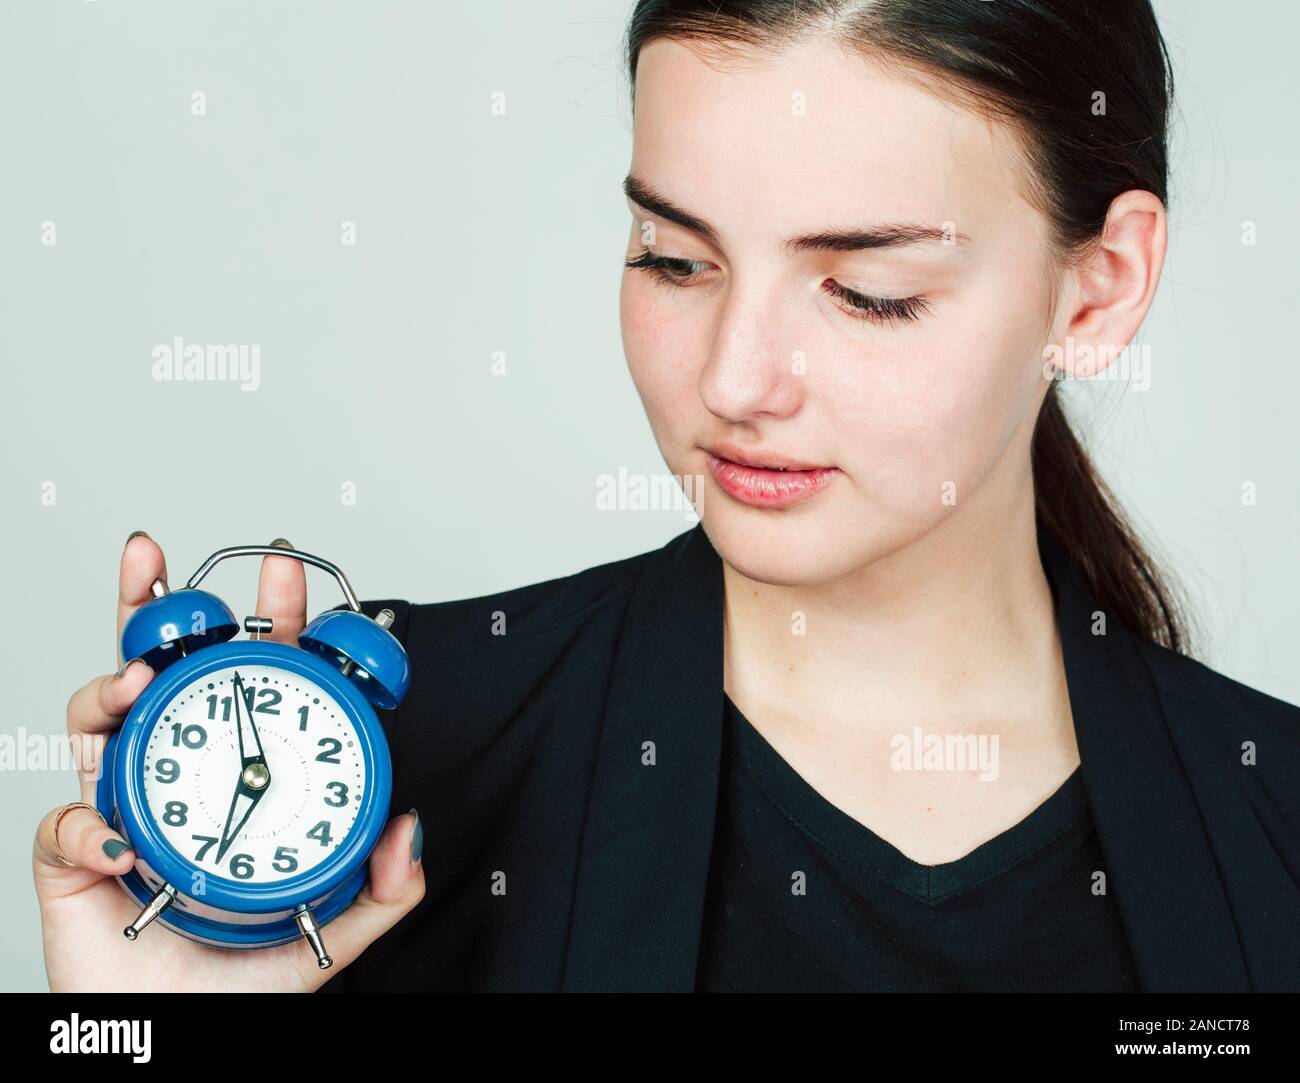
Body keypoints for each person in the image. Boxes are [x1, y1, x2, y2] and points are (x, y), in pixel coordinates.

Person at [33, 0, 1300, 992]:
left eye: (867, 292)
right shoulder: (371, 766)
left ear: (1096, 291)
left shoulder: (1273, 816)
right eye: (674, 260)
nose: (735, 382)